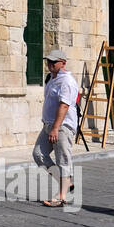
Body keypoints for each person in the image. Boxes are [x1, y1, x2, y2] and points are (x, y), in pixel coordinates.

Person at [33, 49, 79, 207]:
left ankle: (62, 196)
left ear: (63, 63)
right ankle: (67, 181)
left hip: (61, 126)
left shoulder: (67, 81)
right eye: (48, 61)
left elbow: (64, 105)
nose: (50, 64)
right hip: (48, 124)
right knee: (39, 154)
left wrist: (55, 128)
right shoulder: (51, 78)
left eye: (53, 62)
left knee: (63, 160)